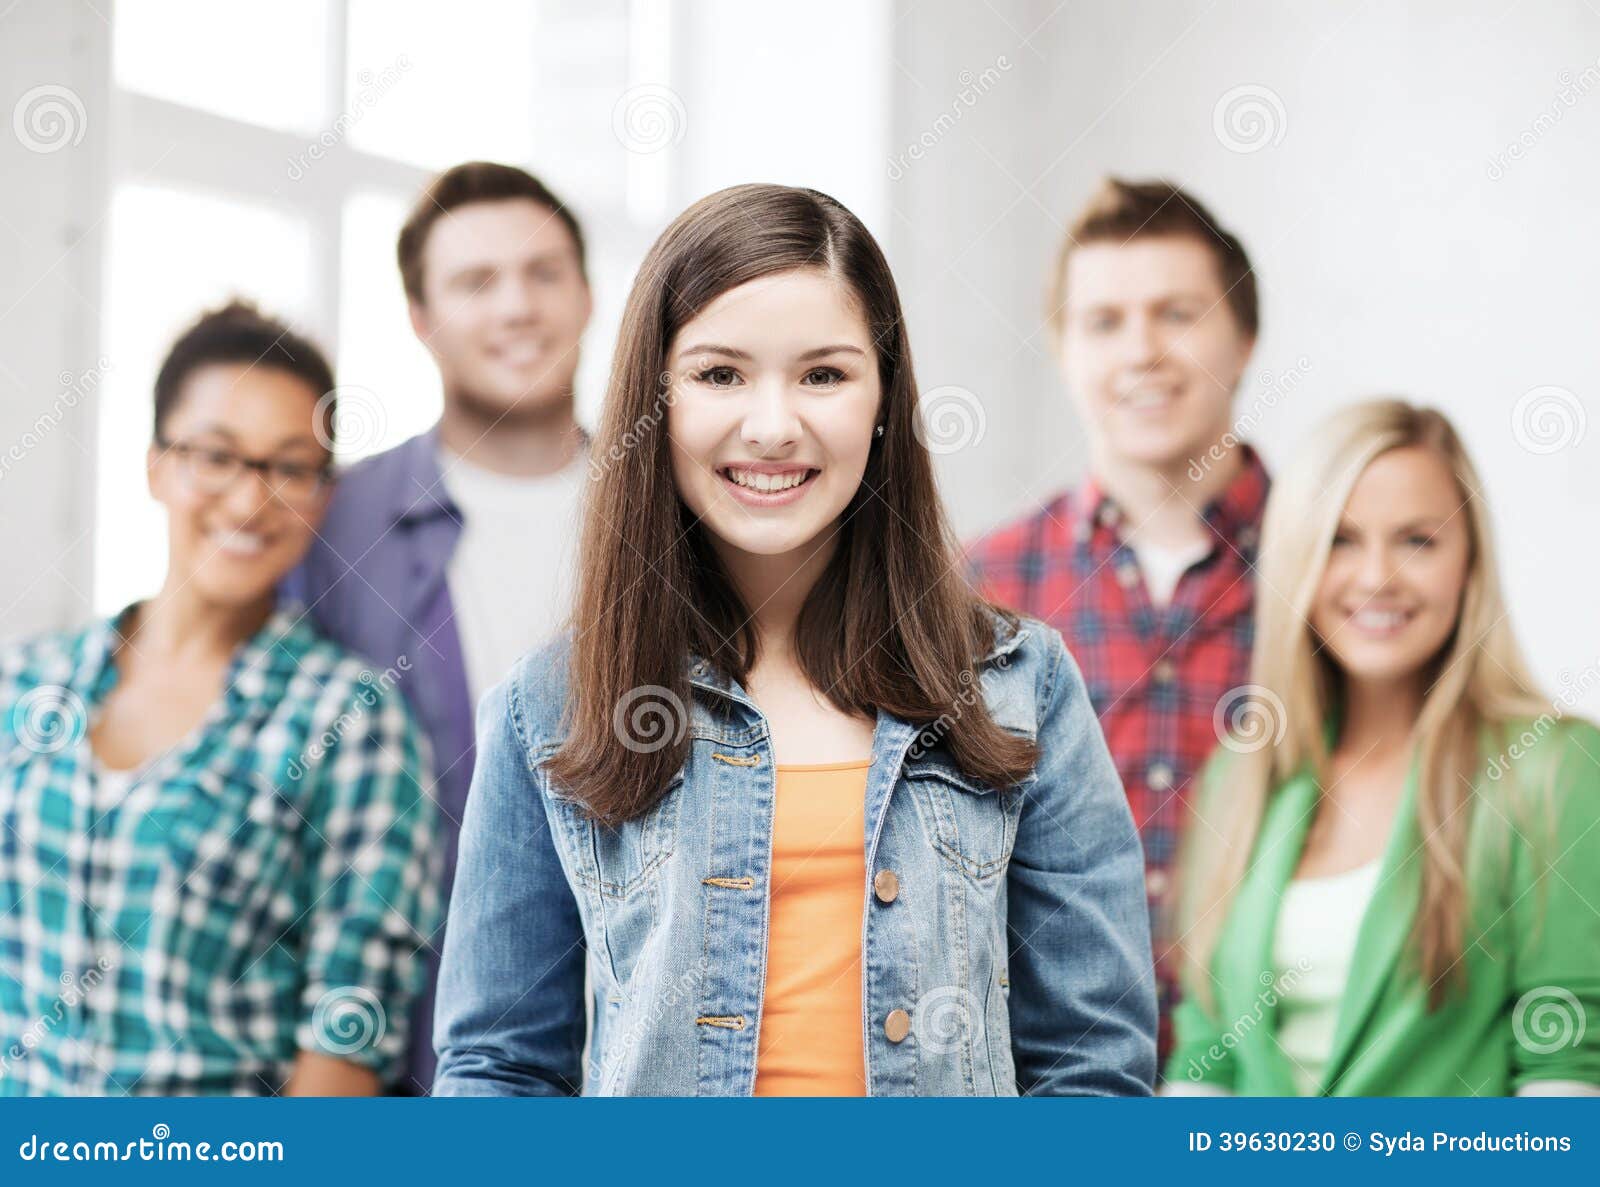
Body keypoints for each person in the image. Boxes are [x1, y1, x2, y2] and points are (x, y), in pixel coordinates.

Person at [431, 183, 1157, 1097]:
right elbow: (498, 1069)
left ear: (884, 397)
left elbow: (1093, 1065)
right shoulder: (551, 706)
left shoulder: (1021, 684)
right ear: (654, 401)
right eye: (719, 374)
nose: (773, 426)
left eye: (824, 374)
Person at [0, 302, 440, 1096]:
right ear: (156, 465)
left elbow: (346, 1039)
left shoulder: (353, 722)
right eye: (216, 456)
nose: (248, 501)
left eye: (289, 466)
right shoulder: (23, 686)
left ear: (323, 492)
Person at [1167, 400, 1600, 1096]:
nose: (1376, 577)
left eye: (1417, 541)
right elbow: (1206, 1059)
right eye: (1340, 539)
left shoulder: (1557, 769)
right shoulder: (1241, 776)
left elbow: (1567, 1069)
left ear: (1470, 563)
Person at [283, 161, 593, 1091]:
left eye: (544, 272)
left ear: (586, 293)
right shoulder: (339, 525)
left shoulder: (679, 506)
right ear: (421, 317)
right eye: (475, 281)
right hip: (414, 1053)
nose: (517, 307)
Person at [966, 178, 1268, 1062]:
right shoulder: (979, 586)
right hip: (1051, 1083)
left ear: (1243, 338)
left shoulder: (1340, 574)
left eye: (1177, 313)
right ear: (1063, 349)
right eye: (1103, 321)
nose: (1142, 351)